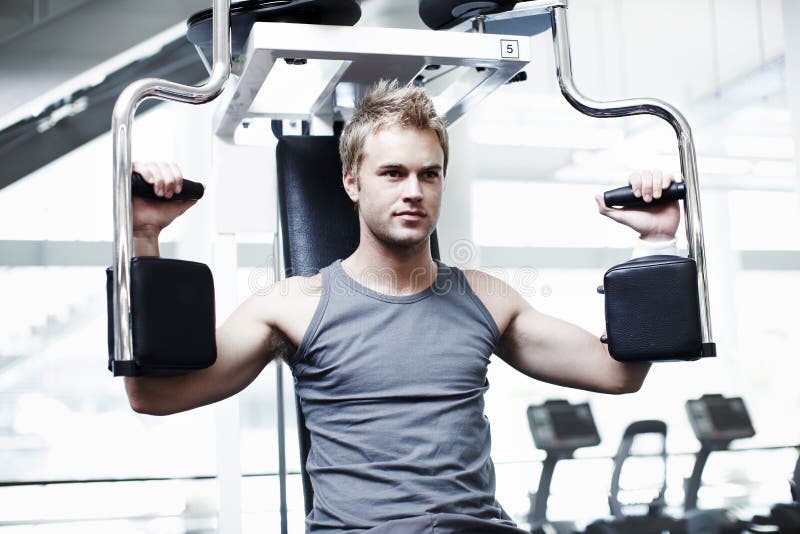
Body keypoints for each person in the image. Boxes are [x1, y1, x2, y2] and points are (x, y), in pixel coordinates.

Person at [125, 80, 680, 533]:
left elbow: (617, 373)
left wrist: (655, 243)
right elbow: (154, 393)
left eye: (428, 174)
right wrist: (144, 235)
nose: (413, 190)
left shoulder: (487, 298)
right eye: (392, 173)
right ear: (351, 182)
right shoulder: (292, 307)